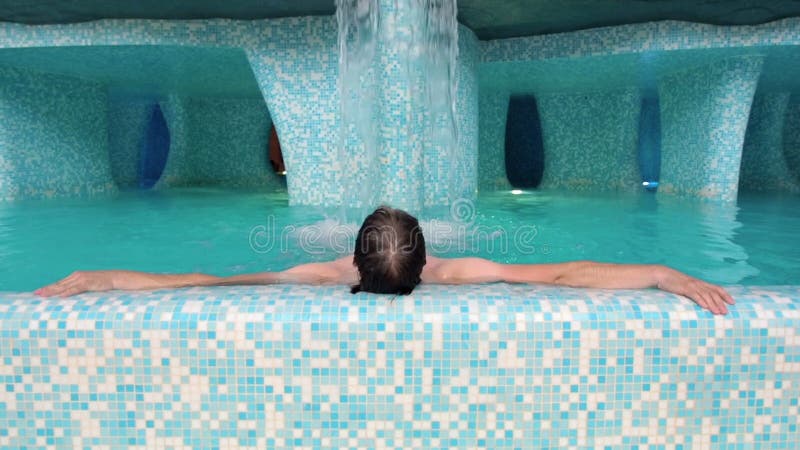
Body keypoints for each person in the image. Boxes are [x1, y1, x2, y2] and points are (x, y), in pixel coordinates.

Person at [35, 206, 734, 315]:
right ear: (429, 262)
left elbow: (205, 282)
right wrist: (661, 274)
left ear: (353, 261)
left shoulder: (320, 275)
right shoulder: (460, 274)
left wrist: (109, 277)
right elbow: (562, 275)